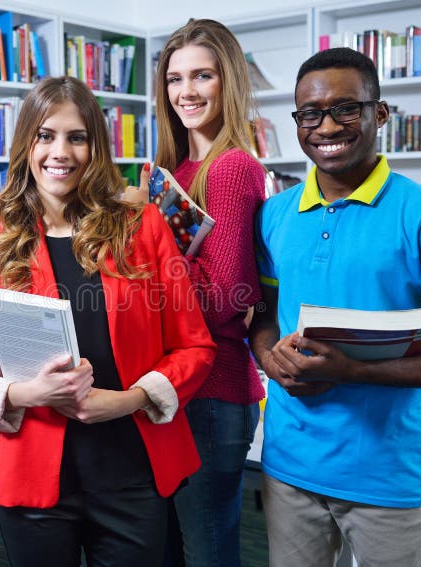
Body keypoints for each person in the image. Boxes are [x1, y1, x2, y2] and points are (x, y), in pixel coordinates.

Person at [0, 76, 216, 567]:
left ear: (96, 147)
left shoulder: (143, 227)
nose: (60, 151)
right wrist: (26, 394)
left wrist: (131, 400)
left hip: (132, 470)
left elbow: (195, 347)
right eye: (45, 135)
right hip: (34, 473)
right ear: (26, 143)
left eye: (77, 137)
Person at [250, 47, 421, 566]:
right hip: (288, 465)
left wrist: (351, 369)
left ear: (380, 113)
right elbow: (265, 319)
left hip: (386, 473)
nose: (326, 125)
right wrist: (270, 359)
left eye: (345, 108)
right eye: (310, 114)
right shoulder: (272, 215)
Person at [124, 18, 267, 567]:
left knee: (206, 547)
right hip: (176, 380)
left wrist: (151, 256)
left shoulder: (230, 168)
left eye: (202, 75)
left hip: (213, 388)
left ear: (227, 80)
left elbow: (228, 294)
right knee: (173, 546)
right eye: (175, 78)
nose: (186, 92)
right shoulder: (173, 168)